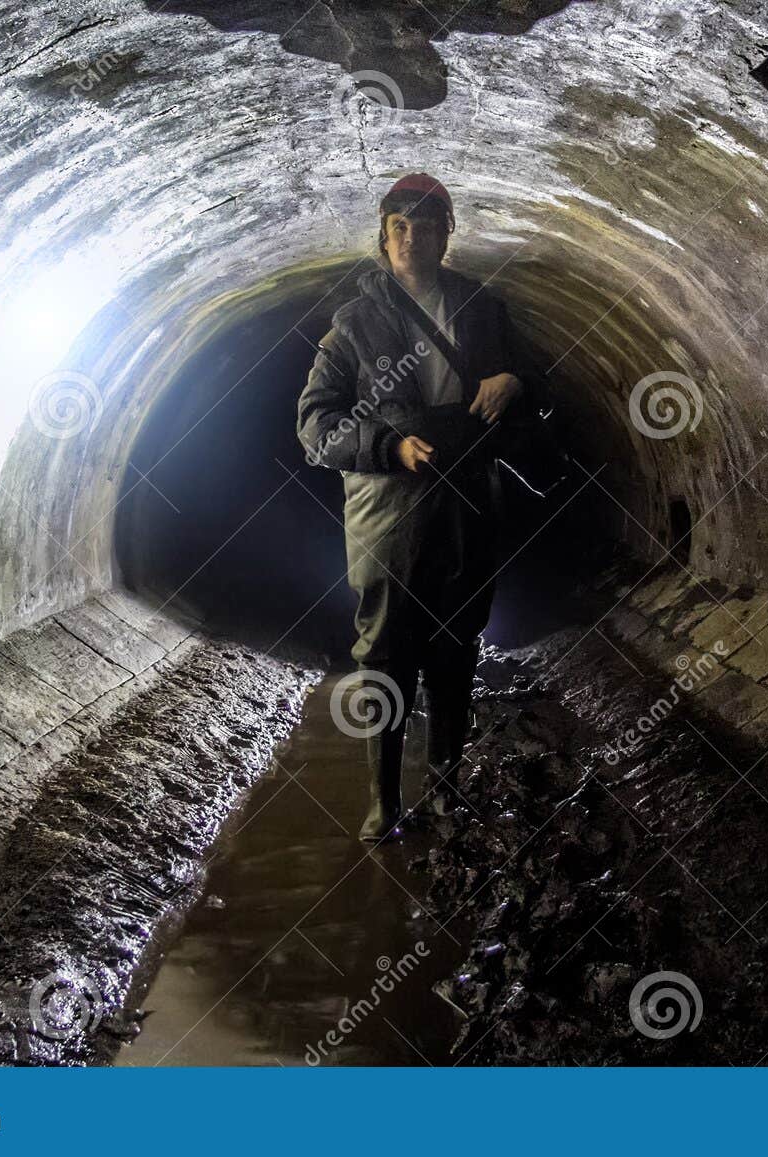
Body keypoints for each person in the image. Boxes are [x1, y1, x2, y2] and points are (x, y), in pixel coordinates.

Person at [296, 172, 549, 843]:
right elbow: (316, 426)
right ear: (383, 236)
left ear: (447, 235)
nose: (412, 238)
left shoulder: (481, 308)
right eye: (399, 226)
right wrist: (386, 443)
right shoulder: (353, 324)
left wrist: (514, 378)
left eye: (427, 226)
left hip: (468, 500)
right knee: (384, 652)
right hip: (389, 510)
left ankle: (445, 785)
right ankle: (382, 800)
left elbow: (540, 387)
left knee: (457, 643)